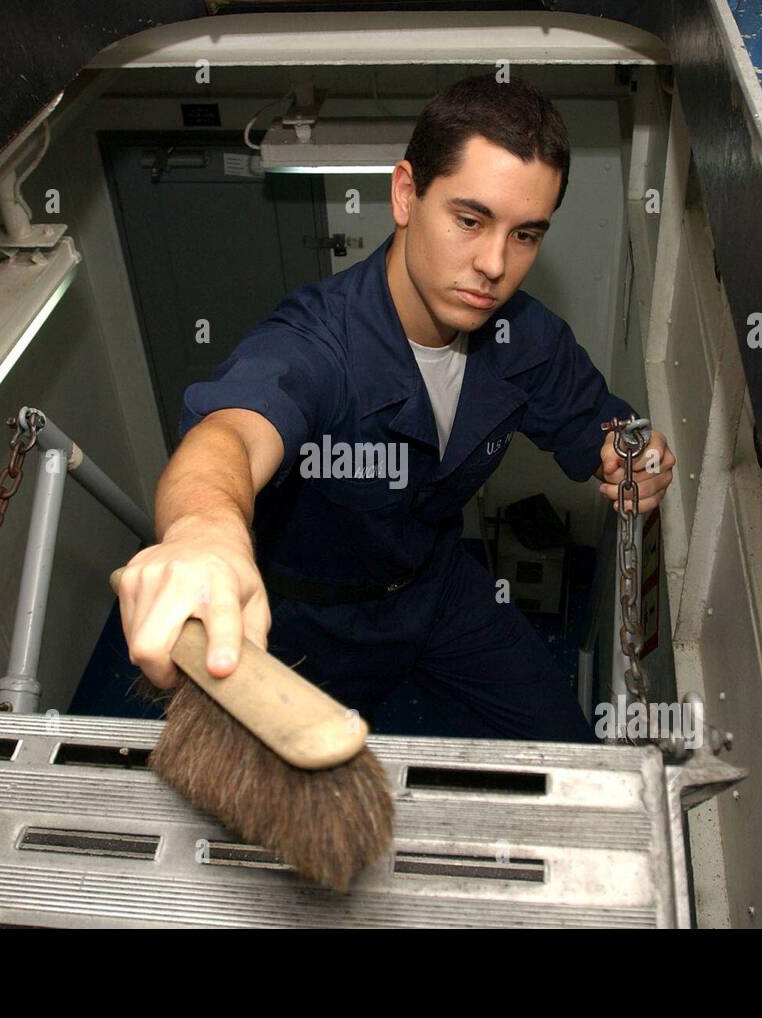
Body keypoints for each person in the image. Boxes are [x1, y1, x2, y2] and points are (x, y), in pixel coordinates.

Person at [115, 73, 675, 742]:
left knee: (574, 755)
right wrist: (203, 532)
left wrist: (634, 456)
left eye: (525, 235)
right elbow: (230, 434)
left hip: (437, 589)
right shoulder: (315, 341)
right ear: (406, 193)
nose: (494, 264)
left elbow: (604, 429)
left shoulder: (527, 340)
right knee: (306, 814)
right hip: (310, 626)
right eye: (470, 220)